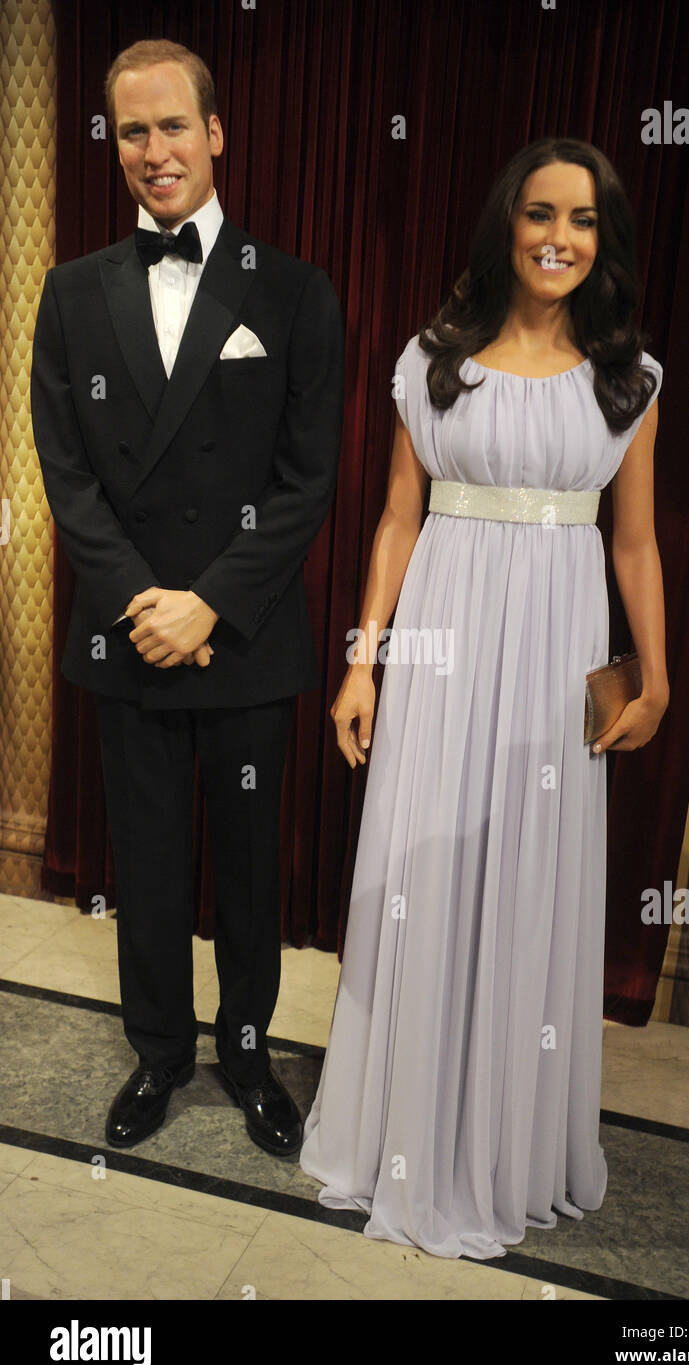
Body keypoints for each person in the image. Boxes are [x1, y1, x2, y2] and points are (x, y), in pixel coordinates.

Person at [300, 137, 669, 1259]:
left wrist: (656, 674)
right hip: (442, 653)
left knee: (526, 879)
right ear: (505, 225)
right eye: (540, 212)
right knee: (427, 870)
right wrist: (364, 662)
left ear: (603, 241)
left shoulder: (630, 380)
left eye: (584, 219)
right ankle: (399, 1138)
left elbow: (637, 542)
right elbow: (396, 520)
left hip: (554, 660)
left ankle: (502, 1148)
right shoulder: (432, 359)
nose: (559, 235)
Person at [30, 39, 343, 1156]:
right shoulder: (71, 295)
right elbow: (67, 476)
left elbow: (307, 481)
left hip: (244, 635)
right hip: (129, 638)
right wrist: (140, 603)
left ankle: (249, 1057)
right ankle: (159, 1054)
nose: (152, 152)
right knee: (147, 864)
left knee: (251, 870)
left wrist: (209, 603)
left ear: (216, 132)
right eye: (130, 132)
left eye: (172, 127)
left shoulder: (294, 290)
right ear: (110, 143)